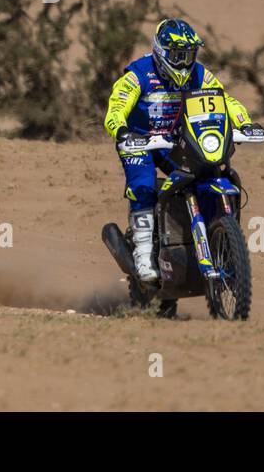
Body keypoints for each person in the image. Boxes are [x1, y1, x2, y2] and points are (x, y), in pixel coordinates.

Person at [103, 18, 254, 285]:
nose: (185, 62)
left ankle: (220, 238)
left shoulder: (199, 73)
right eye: (178, 55)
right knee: (143, 184)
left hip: (176, 140)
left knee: (214, 172)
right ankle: (143, 254)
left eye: (189, 54)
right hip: (142, 143)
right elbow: (116, 108)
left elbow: (224, 98)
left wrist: (243, 122)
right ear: (161, 52)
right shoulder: (138, 74)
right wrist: (122, 131)